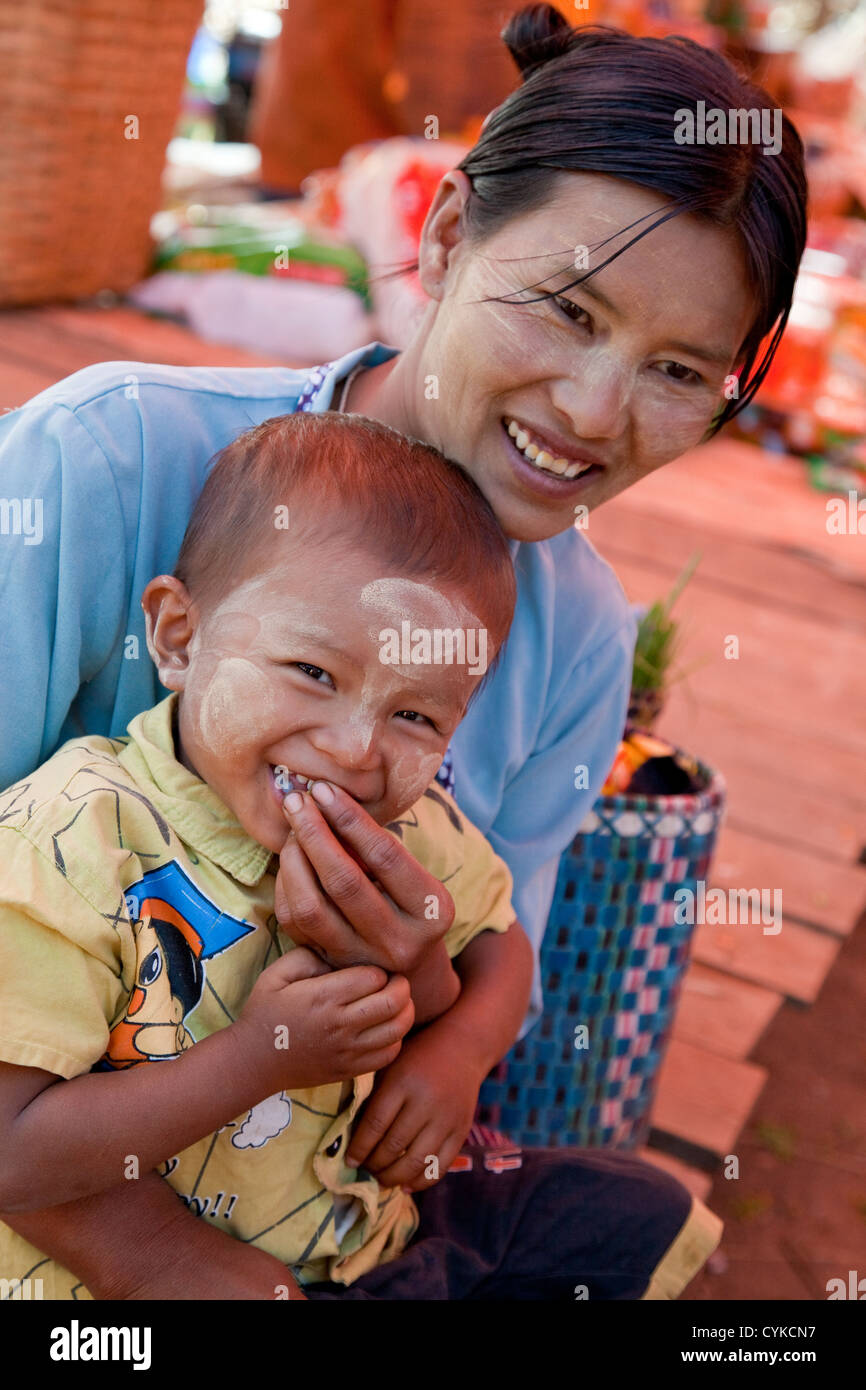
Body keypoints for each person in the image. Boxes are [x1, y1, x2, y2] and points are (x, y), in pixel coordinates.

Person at [0, 7, 807, 1297]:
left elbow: (483, 976)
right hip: (83, 1230)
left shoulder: (577, 639)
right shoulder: (103, 470)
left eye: (676, 369)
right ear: (441, 235)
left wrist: (415, 966)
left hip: (314, 1202)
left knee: (624, 1225)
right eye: (564, 308)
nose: (593, 412)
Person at [0, 412, 717, 1301]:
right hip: (133, 1294)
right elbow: (11, 1154)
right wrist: (261, 1058)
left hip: (359, 1245)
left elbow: (499, 945)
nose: (353, 750)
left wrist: (454, 1055)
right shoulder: (79, 840)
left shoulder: (410, 832)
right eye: (312, 672)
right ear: (180, 638)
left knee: (625, 1209)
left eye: (414, 717)